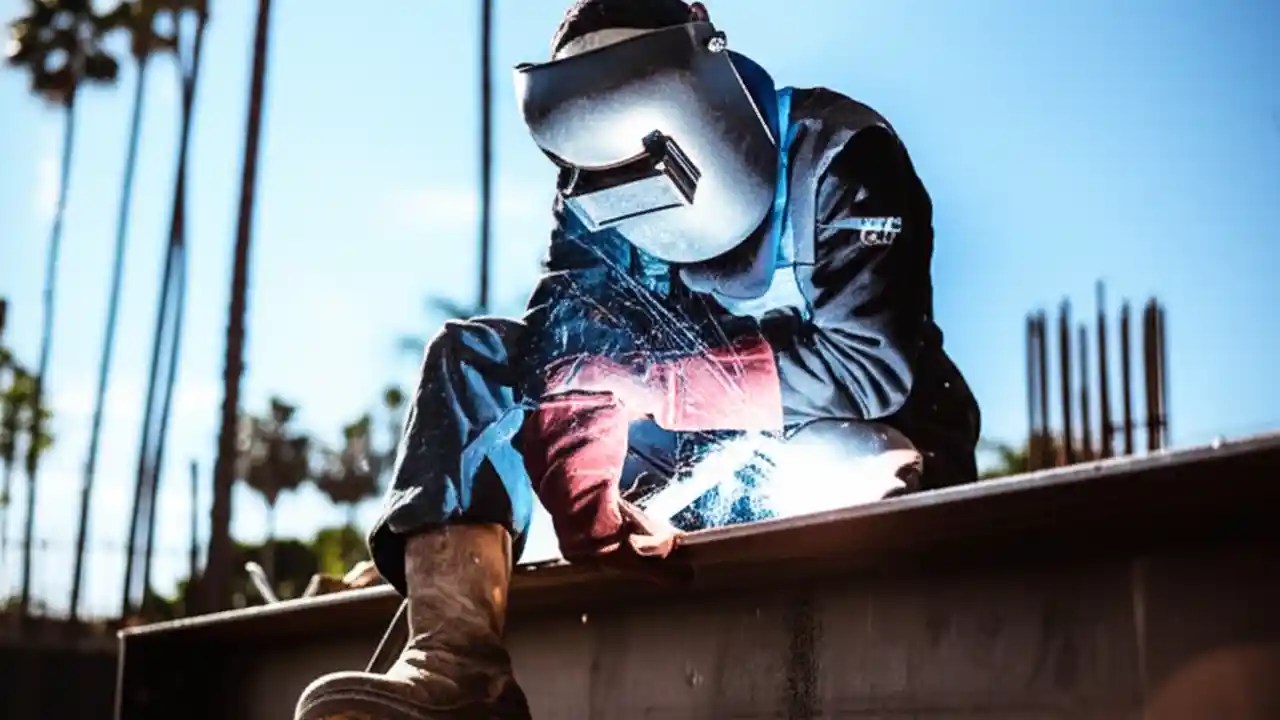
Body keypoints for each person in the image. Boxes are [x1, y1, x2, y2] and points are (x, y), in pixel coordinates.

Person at [294, 1, 980, 718]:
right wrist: (580, 488)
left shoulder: (840, 151)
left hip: (860, 450)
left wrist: (650, 386)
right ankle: (457, 669)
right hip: (691, 476)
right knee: (475, 360)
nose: (620, 187)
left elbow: (870, 364)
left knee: (865, 455)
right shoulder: (590, 191)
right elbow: (561, 359)